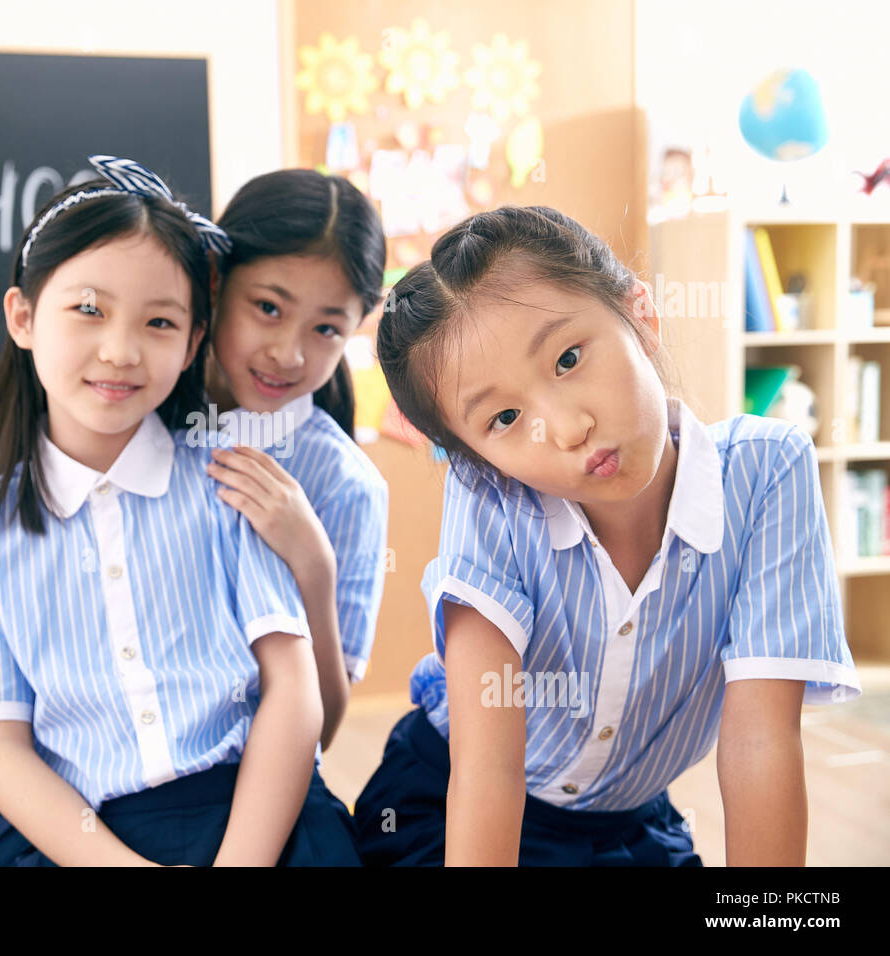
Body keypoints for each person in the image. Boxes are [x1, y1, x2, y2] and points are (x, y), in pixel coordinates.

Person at [0, 155, 357, 867]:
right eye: (89, 309)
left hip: (249, 814)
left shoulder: (232, 480)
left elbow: (295, 694)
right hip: (85, 830)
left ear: (193, 341)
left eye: (159, 321)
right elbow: (2, 749)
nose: (121, 350)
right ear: (23, 316)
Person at [355, 205, 860, 866]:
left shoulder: (767, 473)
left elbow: (760, 740)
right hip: (450, 800)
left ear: (640, 313)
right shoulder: (491, 495)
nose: (565, 429)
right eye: (505, 417)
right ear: (478, 458)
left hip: (628, 824)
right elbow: (488, 770)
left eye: (568, 358)